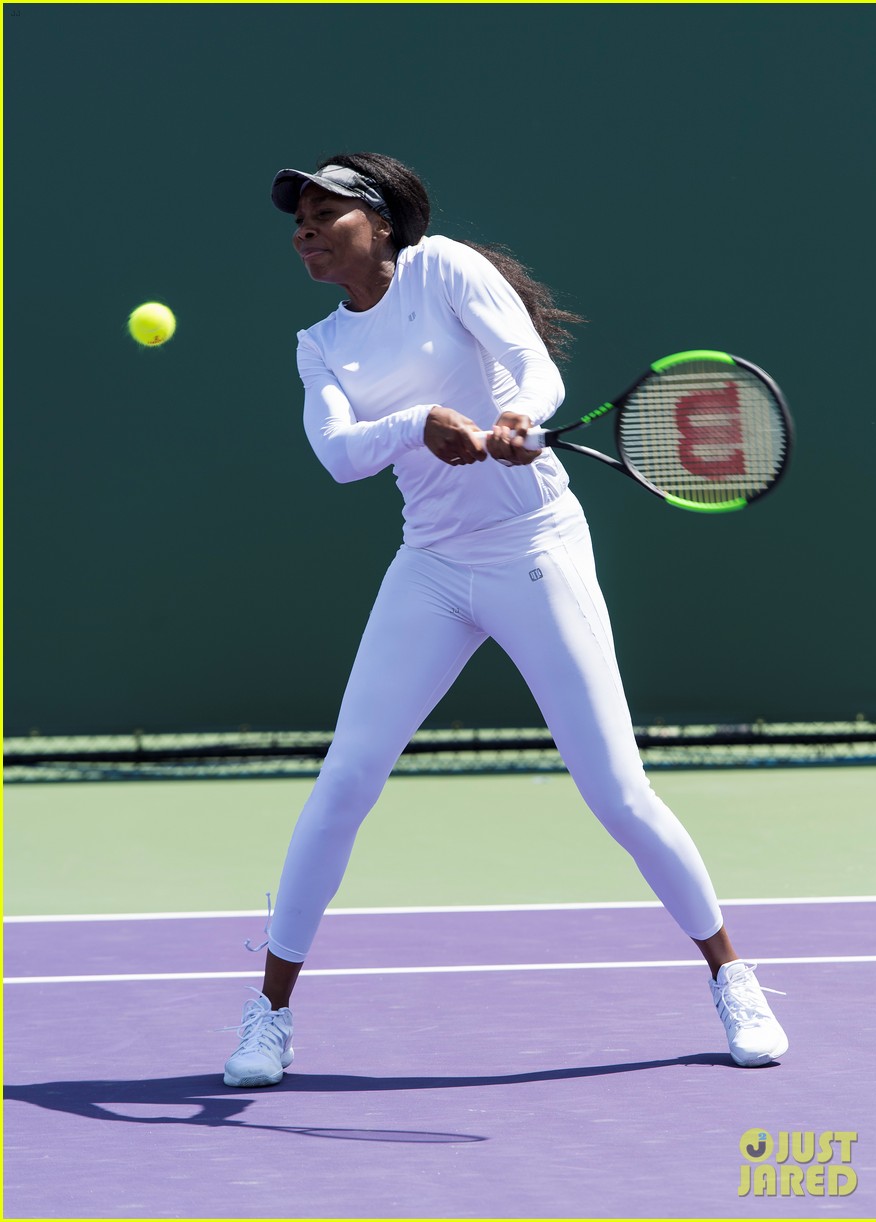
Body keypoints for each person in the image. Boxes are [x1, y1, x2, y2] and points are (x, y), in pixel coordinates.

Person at [222, 152, 788, 1087]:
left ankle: (735, 977)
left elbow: (531, 364)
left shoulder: (445, 268)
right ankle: (268, 1014)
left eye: (327, 213)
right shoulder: (318, 343)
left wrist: (520, 416)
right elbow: (336, 452)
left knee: (616, 791)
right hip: (432, 568)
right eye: (298, 219)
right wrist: (421, 425)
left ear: (385, 221)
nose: (305, 231)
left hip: (536, 550)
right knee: (345, 781)